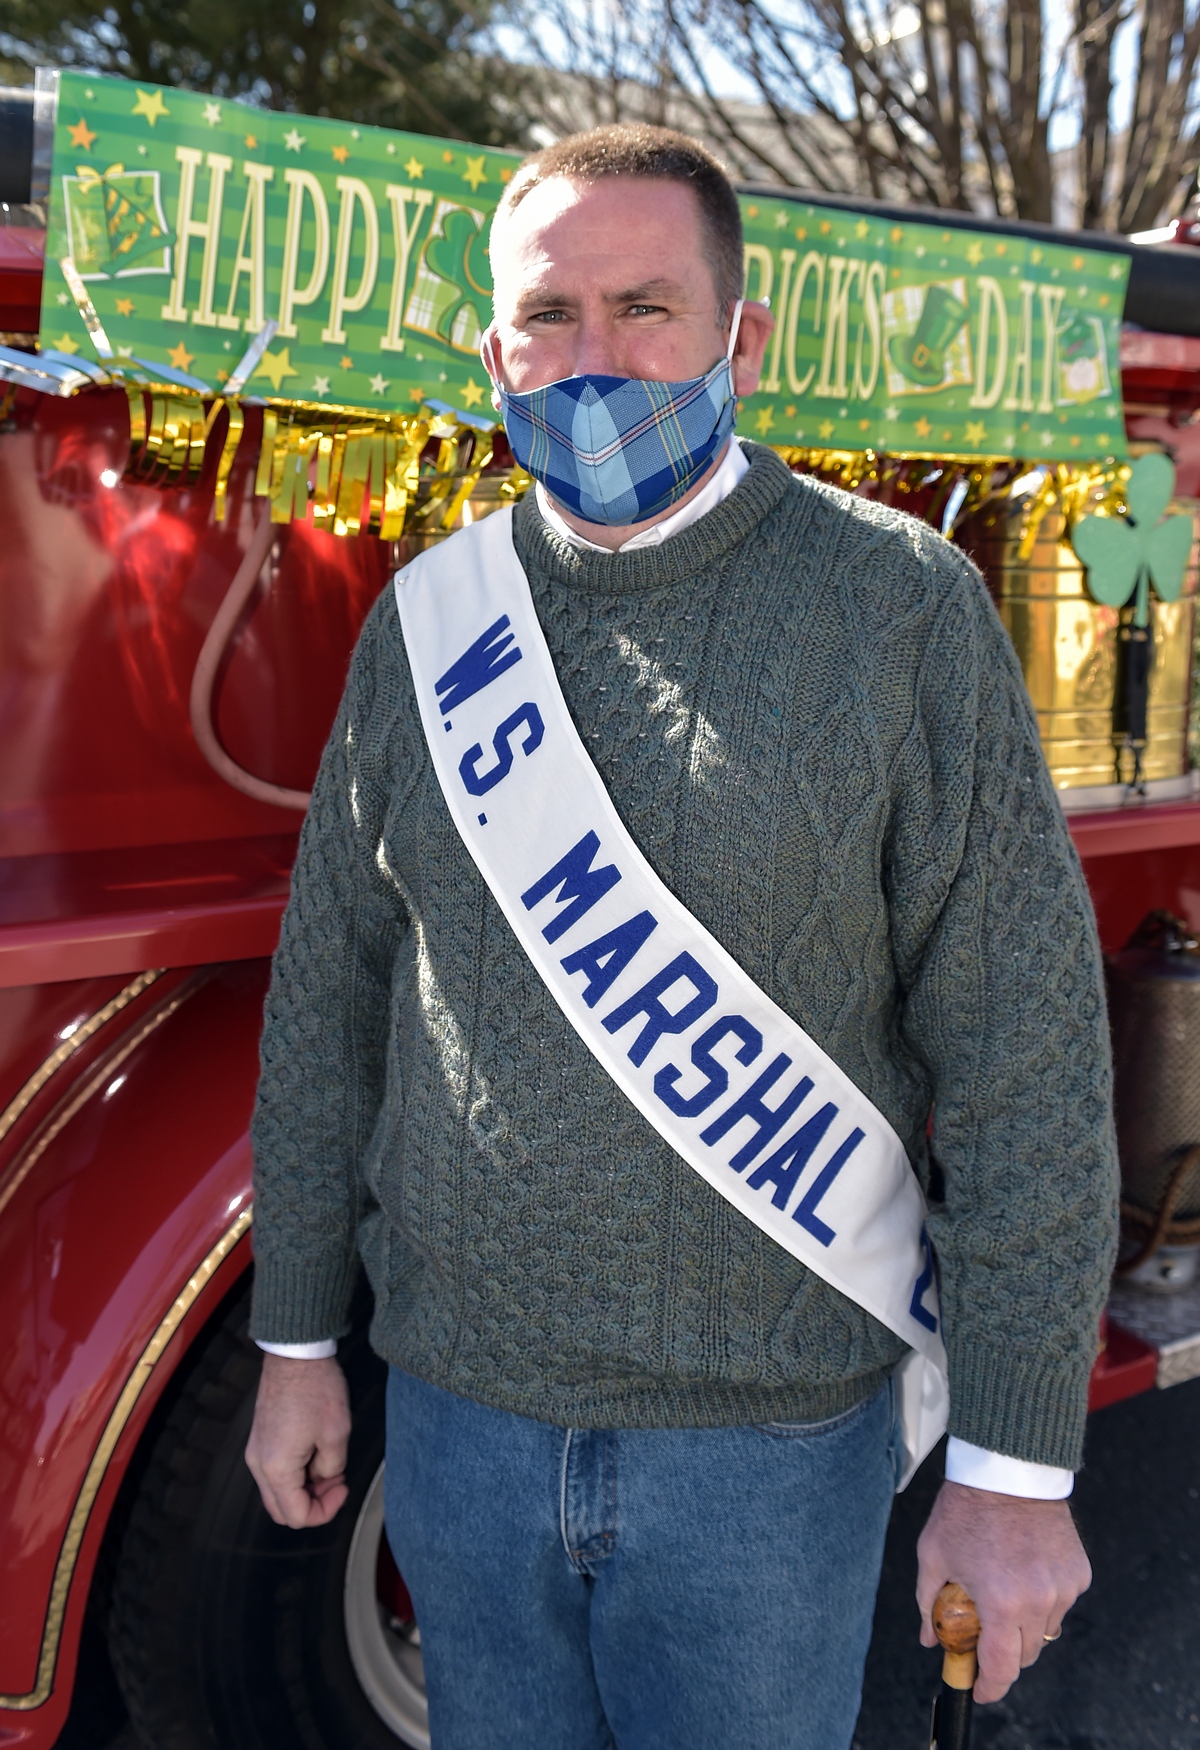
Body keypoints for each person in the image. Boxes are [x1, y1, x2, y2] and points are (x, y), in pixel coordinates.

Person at [245, 124, 1116, 1749]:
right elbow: (328, 1006)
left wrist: (1011, 1476)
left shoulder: (900, 610)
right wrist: (298, 1342)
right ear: (492, 349)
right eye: (549, 320)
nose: (593, 363)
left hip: (765, 1468)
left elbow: (1029, 1056)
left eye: (644, 308)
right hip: (462, 1434)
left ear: (742, 337)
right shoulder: (429, 625)